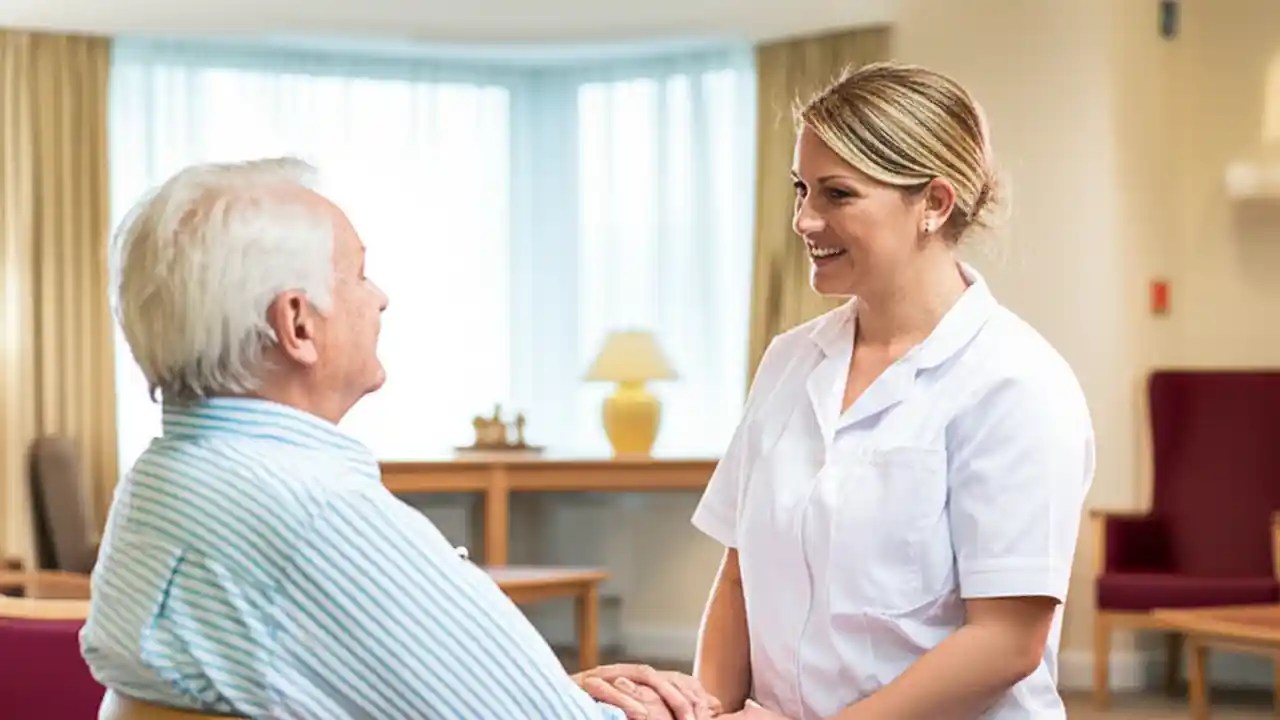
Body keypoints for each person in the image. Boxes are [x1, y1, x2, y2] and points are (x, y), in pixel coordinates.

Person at [83, 158, 719, 720]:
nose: (381, 298)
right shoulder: (320, 514)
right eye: (359, 275)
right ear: (297, 323)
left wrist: (547, 691)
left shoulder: (161, 480)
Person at [692, 62, 1095, 720]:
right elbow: (741, 576)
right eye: (800, 190)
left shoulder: (1017, 383)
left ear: (933, 204)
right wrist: (705, 710)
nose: (802, 219)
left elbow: (1007, 641)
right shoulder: (789, 360)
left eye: (836, 194)